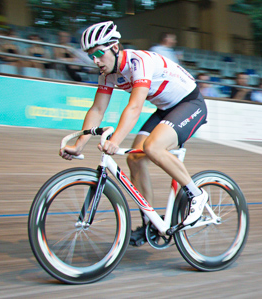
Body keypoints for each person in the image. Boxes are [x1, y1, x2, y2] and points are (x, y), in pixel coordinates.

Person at [59, 21, 209, 247]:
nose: (95, 61)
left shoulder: (138, 62)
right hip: (166, 108)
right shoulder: (107, 73)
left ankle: (197, 195)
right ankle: (152, 226)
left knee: (153, 147)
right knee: (135, 158)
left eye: (99, 53)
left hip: (190, 103)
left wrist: (115, 140)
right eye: (90, 56)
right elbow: (97, 109)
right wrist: (80, 143)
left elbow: (135, 106)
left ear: (115, 47)